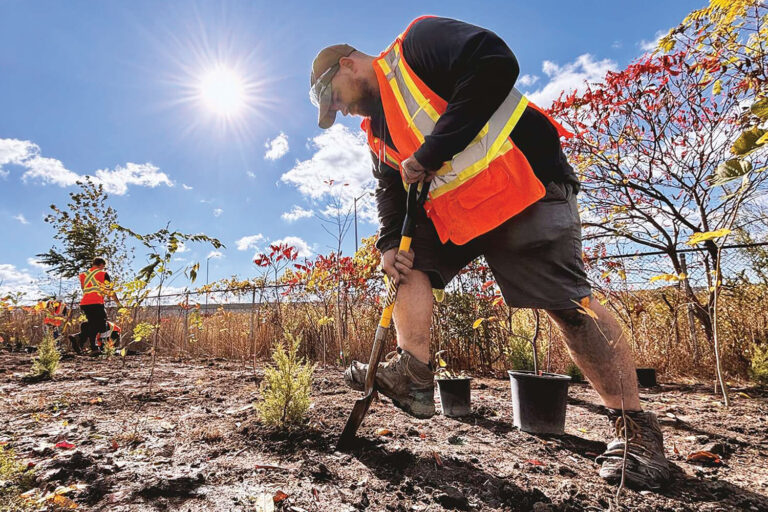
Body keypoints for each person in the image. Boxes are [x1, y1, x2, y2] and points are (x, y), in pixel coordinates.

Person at [309, 16, 669, 490]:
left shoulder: (417, 46)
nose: (344, 110)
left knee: (568, 306)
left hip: (523, 185)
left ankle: (636, 429)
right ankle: (414, 375)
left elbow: (496, 63)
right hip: (459, 213)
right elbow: (390, 191)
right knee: (406, 266)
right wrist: (389, 244)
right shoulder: (376, 133)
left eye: (336, 98)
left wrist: (432, 151)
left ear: (348, 64)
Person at [77, 257, 119, 354]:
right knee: (101, 325)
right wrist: (118, 303)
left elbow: (84, 289)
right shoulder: (103, 274)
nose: (103, 268)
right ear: (101, 265)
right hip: (96, 303)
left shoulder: (83, 275)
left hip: (85, 303)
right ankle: (80, 337)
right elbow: (110, 290)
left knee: (92, 324)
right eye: (103, 266)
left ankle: (93, 347)